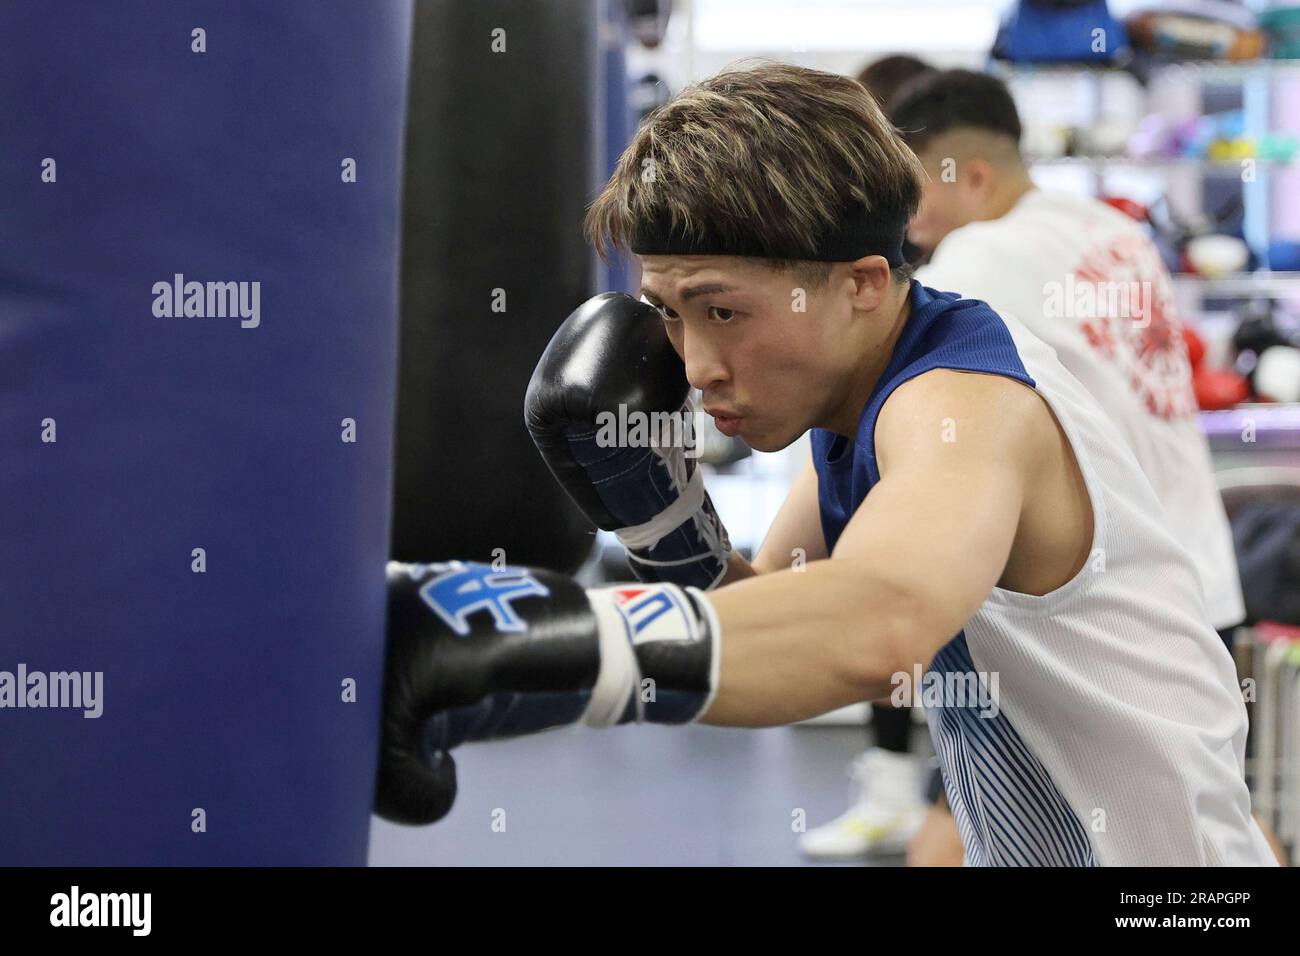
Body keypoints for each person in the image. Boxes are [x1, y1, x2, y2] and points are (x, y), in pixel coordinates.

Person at [374, 62, 1277, 866]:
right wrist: (658, 518)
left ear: (862, 284)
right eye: (667, 313)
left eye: (723, 311)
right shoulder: (859, 400)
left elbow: (879, 624)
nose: (694, 368)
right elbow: (765, 620)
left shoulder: (960, 407)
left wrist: (519, 649)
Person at [885, 69, 1257, 864]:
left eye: (918, 197)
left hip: (1096, 599)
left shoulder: (974, 257)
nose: (912, 226)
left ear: (973, 177)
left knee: (961, 826)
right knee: (1217, 823)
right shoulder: (1113, 228)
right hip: (1195, 576)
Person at [797, 53, 939, 862]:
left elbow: (869, 627)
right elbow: (771, 599)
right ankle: (890, 783)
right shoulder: (865, 365)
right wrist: (661, 517)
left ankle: (898, 788)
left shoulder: (946, 376)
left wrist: (580, 652)